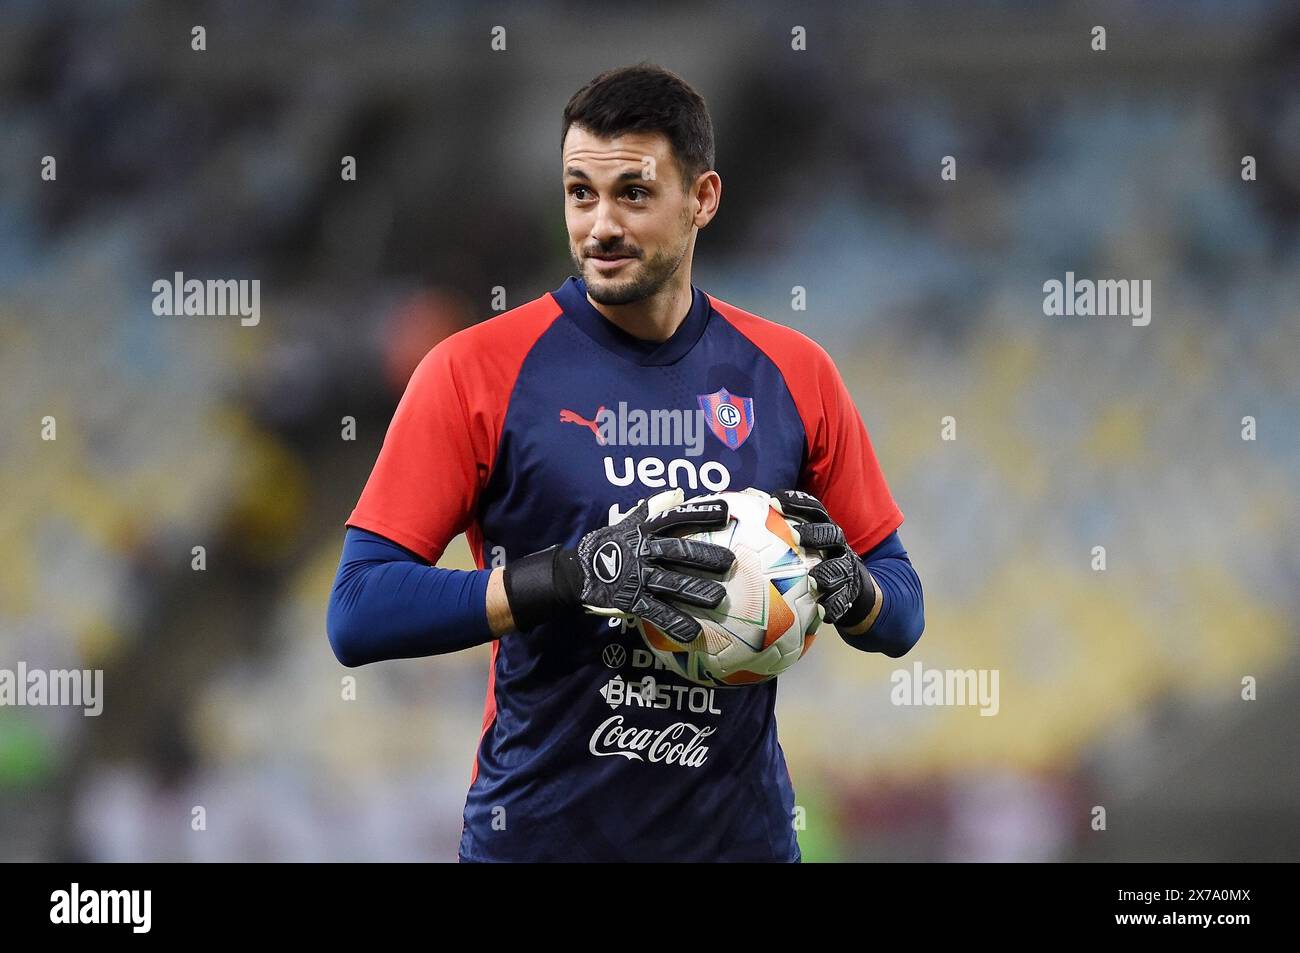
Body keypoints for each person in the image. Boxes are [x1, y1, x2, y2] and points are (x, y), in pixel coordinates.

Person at [327, 63, 924, 862]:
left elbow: (904, 608)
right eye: (580, 193)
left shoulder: (793, 373)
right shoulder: (474, 371)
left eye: (634, 194)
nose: (600, 225)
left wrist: (856, 592)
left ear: (703, 198)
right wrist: (569, 576)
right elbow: (358, 609)